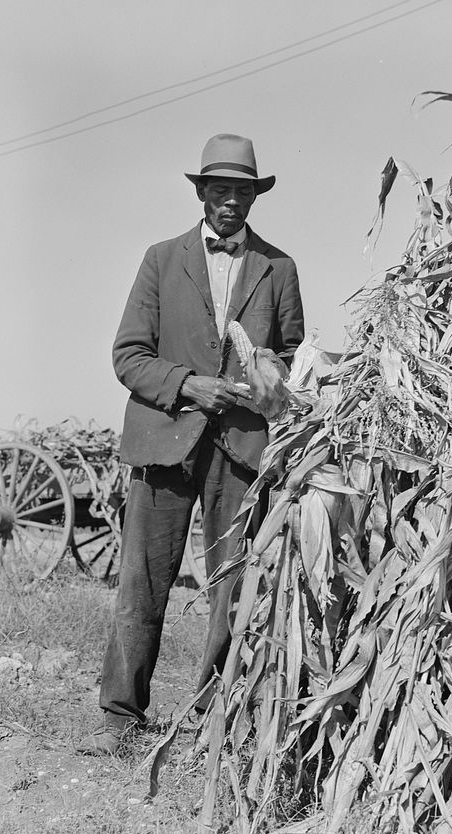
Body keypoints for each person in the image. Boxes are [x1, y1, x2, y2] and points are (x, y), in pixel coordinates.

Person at [78, 133, 305, 755]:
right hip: (164, 441)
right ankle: (121, 717)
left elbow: (292, 355)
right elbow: (128, 355)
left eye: (242, 191)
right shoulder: (161, 259)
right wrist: (188, 386)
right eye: (220, 189)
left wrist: (268, 377)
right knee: (144, 580)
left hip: (242, 447)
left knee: (231, 586)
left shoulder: (278, 268)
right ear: (202, 193)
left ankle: (213, 719)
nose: (230, 202)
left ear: (255, 198)